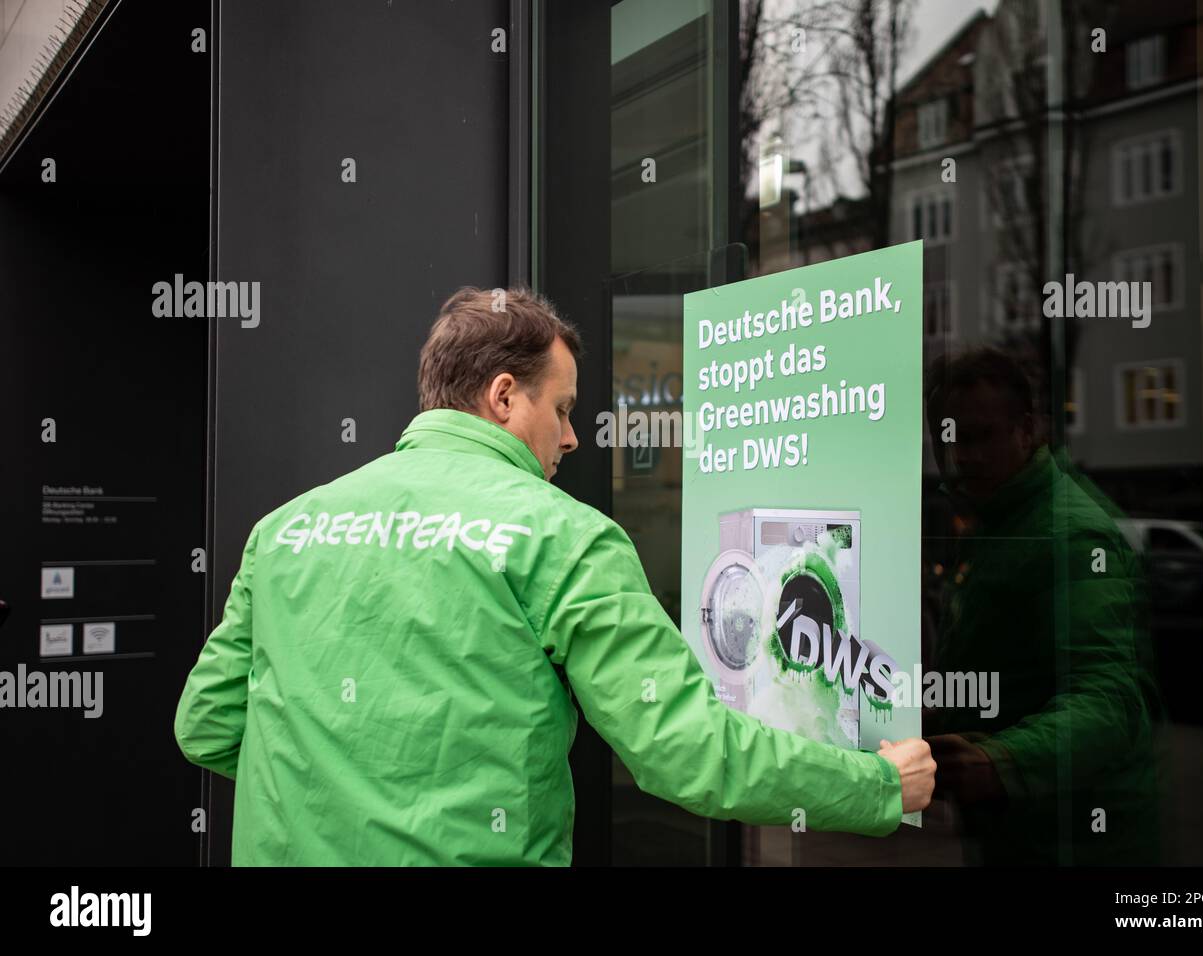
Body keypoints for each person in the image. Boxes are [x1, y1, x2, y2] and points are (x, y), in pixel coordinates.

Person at [174, 285, 934, 865]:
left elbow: (204, 725)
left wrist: (336, 796)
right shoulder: (563, 535)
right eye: (563, 408)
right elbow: (687, 751)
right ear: (505, 396)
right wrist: (873, 787)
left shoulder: (286, 530)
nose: (572, 436)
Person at [922, 346, 1163, 865]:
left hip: (1082, 844)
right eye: (949, 438)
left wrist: (1001, 762)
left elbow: (1110, 700)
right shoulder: (1001, 518)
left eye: (981, 435)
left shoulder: (1069, 536)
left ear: (1027, 431)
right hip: (1029, 834)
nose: (963, 455)